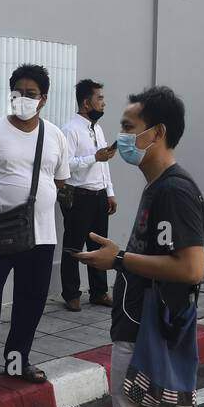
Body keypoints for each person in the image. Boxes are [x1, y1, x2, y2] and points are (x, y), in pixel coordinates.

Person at [67, 86, 204, 407]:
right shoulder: (164, 187)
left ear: (157, 132)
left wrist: (119, 259)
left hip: (147, 329)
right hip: (166, 324)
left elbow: (191, 267)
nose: (121, 138)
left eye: (128, 128)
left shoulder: (173, 190)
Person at [0, 64, 71, 392]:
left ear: (44, 99)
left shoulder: (55, 136)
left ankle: (17, 362)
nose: (22, 98)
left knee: (30, 302)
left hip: (42, 235)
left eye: (30, 94)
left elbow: (60, 179)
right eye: (17, 92)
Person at [59, 78, 117, 310]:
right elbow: (65, 165)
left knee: (100, 247)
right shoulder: (70, 130)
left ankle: (99, 292)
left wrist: (110, 192)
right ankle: (71, 294)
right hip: (78, 196)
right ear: (86, 102)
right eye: (99, 98)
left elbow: (104, 164)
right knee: (73, 248)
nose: (104, 103)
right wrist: (95, 157)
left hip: (99, 195)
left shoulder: (97, 128)